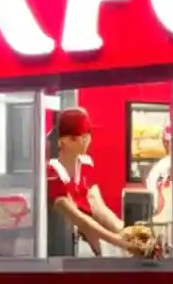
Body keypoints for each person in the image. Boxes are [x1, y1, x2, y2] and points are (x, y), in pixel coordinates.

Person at [47, 107, 133, 256]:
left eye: (88, 134)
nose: (87, 140)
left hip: (88, 242)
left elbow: (98, 207)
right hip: (61, 248)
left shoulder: (86, 164)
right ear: (64, 140)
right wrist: (120, 242)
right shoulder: (53, 173)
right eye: (80, 136)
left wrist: (127, 232)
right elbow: (79, 220)